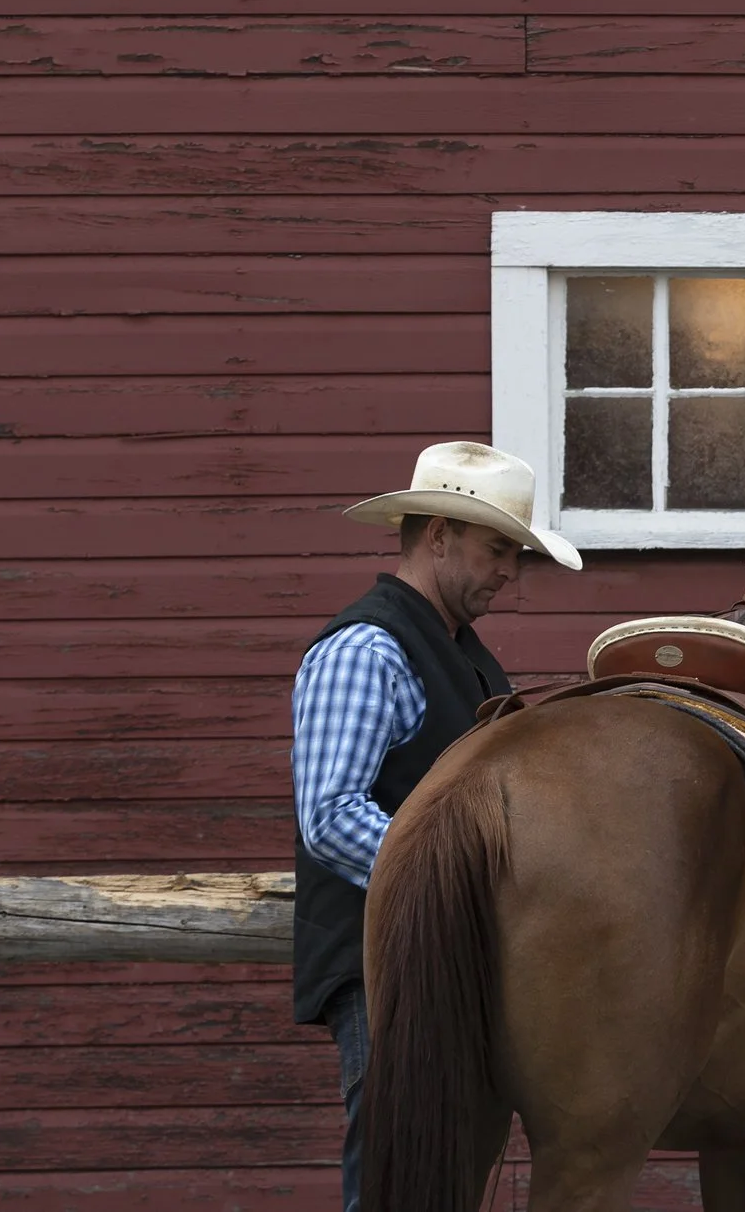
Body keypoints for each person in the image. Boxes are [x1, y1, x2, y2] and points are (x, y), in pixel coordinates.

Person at [290, 441, 582, 1212]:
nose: (508, 572)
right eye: (496, 549)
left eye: (514, 553)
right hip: (382, 959)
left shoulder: (469, 659)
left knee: (444, 1179)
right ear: (438, 536)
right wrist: (484, 885)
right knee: (401, 1182)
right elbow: (330, 816)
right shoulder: (367, 648)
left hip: (445, 959)